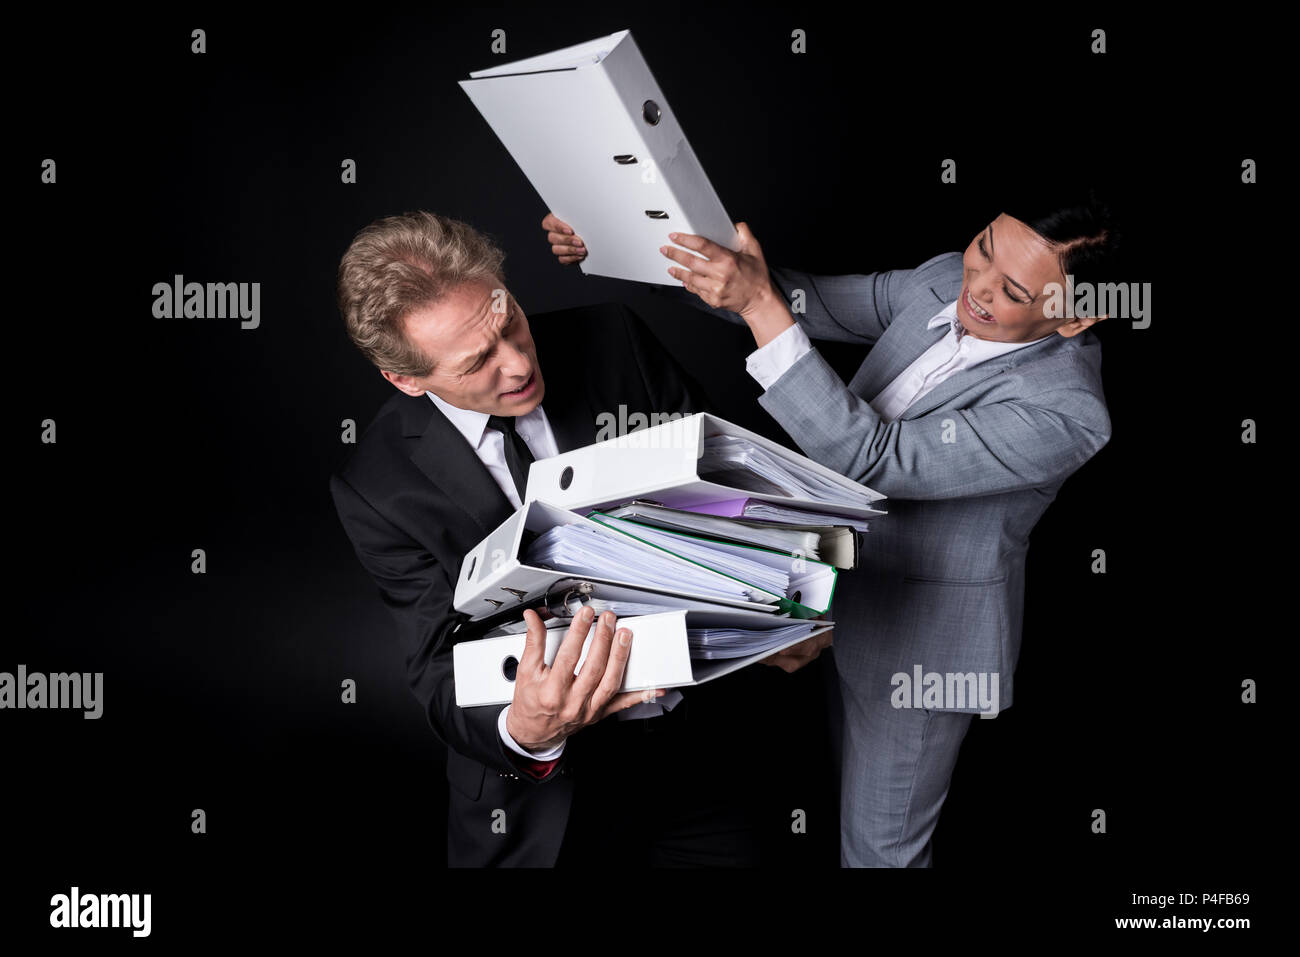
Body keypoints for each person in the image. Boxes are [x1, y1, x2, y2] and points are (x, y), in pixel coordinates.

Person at [542, 198, 1118, 866]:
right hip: (830, 595)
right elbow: (799, 300)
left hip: (923, 647)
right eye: (984, 247)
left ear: (1077, 315)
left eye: (1015, 290)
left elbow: (874, 457)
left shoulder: (1068, 414)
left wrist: (761, 307)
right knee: (835, 798)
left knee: (882, 850)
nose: (978, 286)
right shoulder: (939, 279)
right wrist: (621, 247)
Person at [330, 210, 789, 867]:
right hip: (545, 806)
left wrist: (779, 604)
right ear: (407, 379)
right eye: (478, 361)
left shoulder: (614, 338)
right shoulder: (377, 483)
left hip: (706, 752)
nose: (518, 363)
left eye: (508, 319)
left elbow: (723, 497)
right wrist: (526, 729)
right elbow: (436, 667)